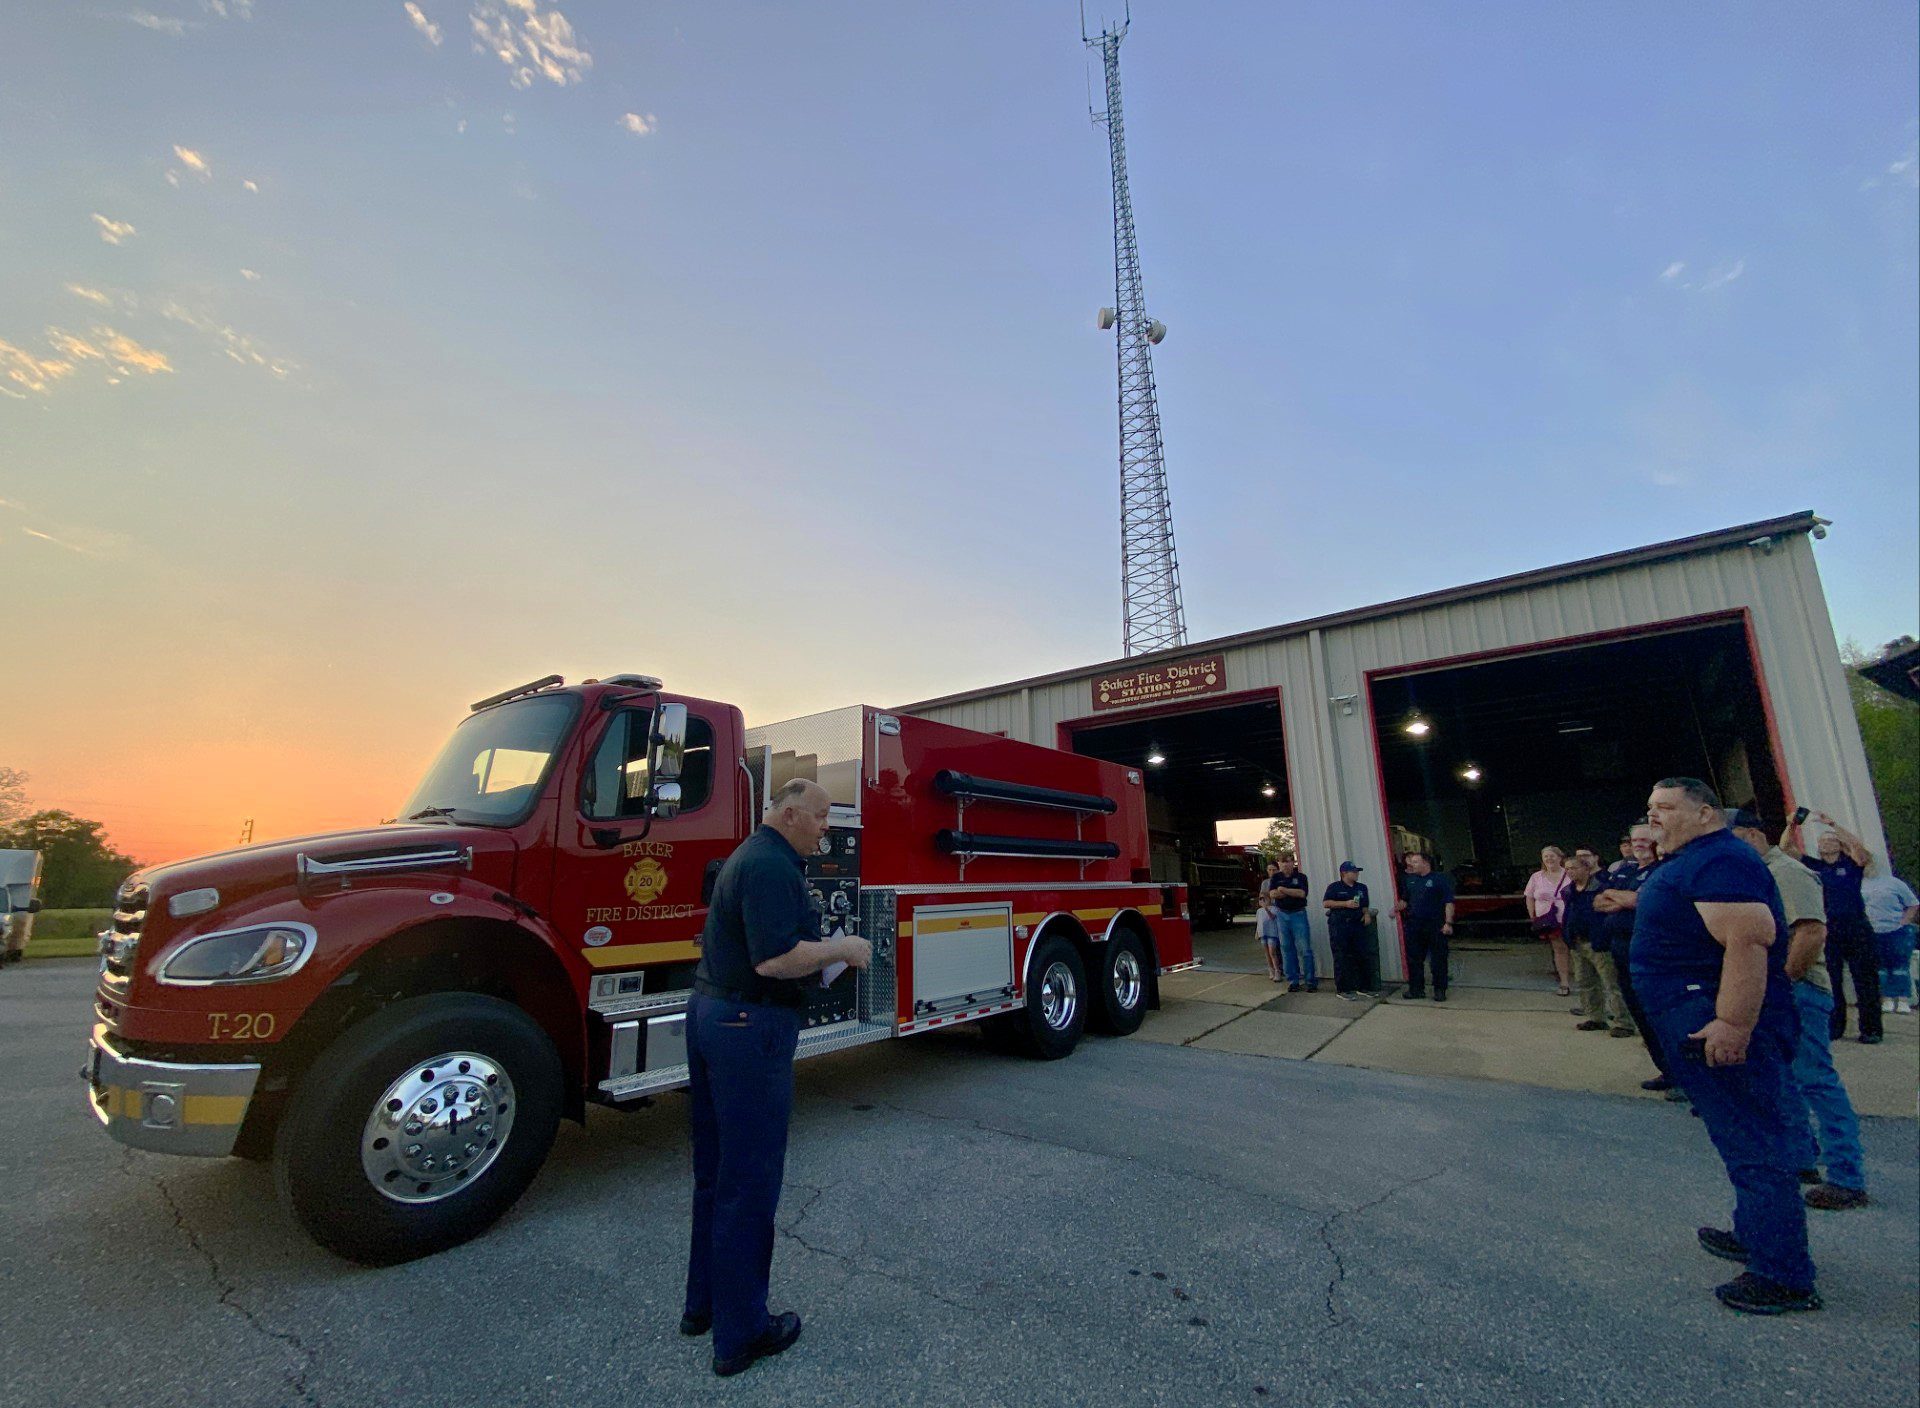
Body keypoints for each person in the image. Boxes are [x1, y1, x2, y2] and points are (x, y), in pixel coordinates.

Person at [682, 778, 873, 1376]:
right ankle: (740, 1336)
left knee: (716, 1176)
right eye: (820, 818)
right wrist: (844, 948)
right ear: (790, 814)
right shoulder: (770, 866)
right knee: (750, 1181)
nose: (827, 829)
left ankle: (704, 1307)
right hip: (748, 1028)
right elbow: (775, 958)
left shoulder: (752, 855)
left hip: (714, 1016)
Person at [1636, 777, 1819, 1314]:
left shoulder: (1721, 860)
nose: (1655, 816)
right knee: (1741, 1137)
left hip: (1724, 1027)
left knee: (1755, 1143)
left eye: (1667, 807)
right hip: (1695, 1018)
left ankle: (1782, 1275)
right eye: (1651, 808)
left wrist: (1734, 1024)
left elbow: (1748, 938)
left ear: (1707, 814)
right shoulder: (1699, 859)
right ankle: (1757, 1233)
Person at [1726, 808, 1869, 1212]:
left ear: (1753, 836)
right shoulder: (1759, 873)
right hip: (1780, 992)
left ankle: (1846, 1176)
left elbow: (1810, 931)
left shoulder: (1786, 872)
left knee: (1816, 1079)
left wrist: (1781, 982)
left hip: (1801, 991)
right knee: (1785, 1078)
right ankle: (1803, 1157)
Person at [1784, 812, 1881, 1043]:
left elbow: (1860, 850)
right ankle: (1835, 1028)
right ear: (1818, 846)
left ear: (1839, 845)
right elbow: (1786, 849)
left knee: (1865, 978)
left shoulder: (1850, 865)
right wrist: (1792, 824)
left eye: (1832, 840)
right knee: (1832, 979)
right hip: (1829, 928)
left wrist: (1833, 825)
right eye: (1823, 840)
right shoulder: (1814, 866)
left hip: (1856, 926)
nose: (1827, 842)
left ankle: (1871, 1030)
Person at [1597, 822, 1671, 1090]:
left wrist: (1622, 899)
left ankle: (1684, 1077)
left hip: (1649, 949)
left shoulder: (1662, 869)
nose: (1638, 843)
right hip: (1620, 948)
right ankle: (1666, 1070)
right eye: (1634, 839)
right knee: (1639, 1012)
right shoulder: (1626, 870)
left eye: (1644, 839)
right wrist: (1622, 898)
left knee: (1659, 1012)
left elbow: (1638, 901)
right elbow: (1599, 901)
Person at [1563, 853, 1633, 1037]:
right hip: (1577, 942)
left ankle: (1623, 1022)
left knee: (1611, 983)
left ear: (1586, 868)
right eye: (1567, 868)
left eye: (1574, 868)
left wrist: (1603, 937)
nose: (1570, 872)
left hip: (1598, 942)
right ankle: (1595, 1017)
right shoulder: (1569, 891)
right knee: (1585, 981)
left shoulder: (1601, 887)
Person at [1394, 851, 1454, 1001]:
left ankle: (1439, 990)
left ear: (1425, 863)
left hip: (1435, 925)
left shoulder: (1439, 879)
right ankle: (1416, 989)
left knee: (1438, 959)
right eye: (1411, 862)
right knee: (1414, 958)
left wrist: (1448, 922)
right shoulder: (1410, 880)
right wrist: (1396, 908)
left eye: (1415, 862)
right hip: (1414, 925)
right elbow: (1406, 900)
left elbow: (1449, 902)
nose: (1411, 864)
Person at [1861, 863, 1918, 1016]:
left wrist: (1903, 922)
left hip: (1896, 930)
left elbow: (1913, 903)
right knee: (1880, 967)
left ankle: (1903, 1000)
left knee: (1900, 965)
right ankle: (1886, 999)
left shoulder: (1894, 883)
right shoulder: (1859, 883)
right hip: (1872, 931)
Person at [1524, 846, 1574, 997]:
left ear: (1560, 858)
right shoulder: (1536, 877)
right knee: (1559, 949)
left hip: (1570, 917)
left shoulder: (1569, 875)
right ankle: (1564, 982)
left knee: (1577, 949)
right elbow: (1529, 897)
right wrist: (1533, 915)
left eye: (1552, 856)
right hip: (1549, 920)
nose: (1549, 859)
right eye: (1546, 856)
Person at [1323, 861, 1372, 1000]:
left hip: (1357, 925)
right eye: (1354, 872)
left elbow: (1365, 905)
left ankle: (1363, 987)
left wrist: (1366, 914)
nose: (1356, 874)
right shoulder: (1334, 887)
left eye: (1357, 871)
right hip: (1339, 925)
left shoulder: (1362, 888)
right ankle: (1343, 989)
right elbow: (1326, 903)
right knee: (1341, 956)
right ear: (1344, 873)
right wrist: (1345, 903)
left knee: (1362, 955)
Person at [1269, 854, 1316, 992]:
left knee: (1304, 948)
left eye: (1288, 862)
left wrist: (1283, 890)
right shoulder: (1276, 878)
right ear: (1279, 863)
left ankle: (1310, 981)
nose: (1285, 865)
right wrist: (1290, 892)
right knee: (1286, 948)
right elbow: (1272, 894)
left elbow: (1302, 893)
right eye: (1282, 862)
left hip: (1298, 914)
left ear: (1293, 862)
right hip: (1282, 914)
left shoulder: (1301, 877)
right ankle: (1293, 980)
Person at [1255, 893, 1283, 983]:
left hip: (1272, 933)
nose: (1262, 901)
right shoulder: (1259, 911)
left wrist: (1266, 908)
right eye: (1260, 899)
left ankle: (1277, 970)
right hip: (1263, 933)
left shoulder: (1274, 909)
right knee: (1267, 953)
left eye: (1264, 899)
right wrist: (1257, 933)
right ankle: (1270, 969)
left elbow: (1272, 917)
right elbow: (1258, 922)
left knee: (1272, 952)